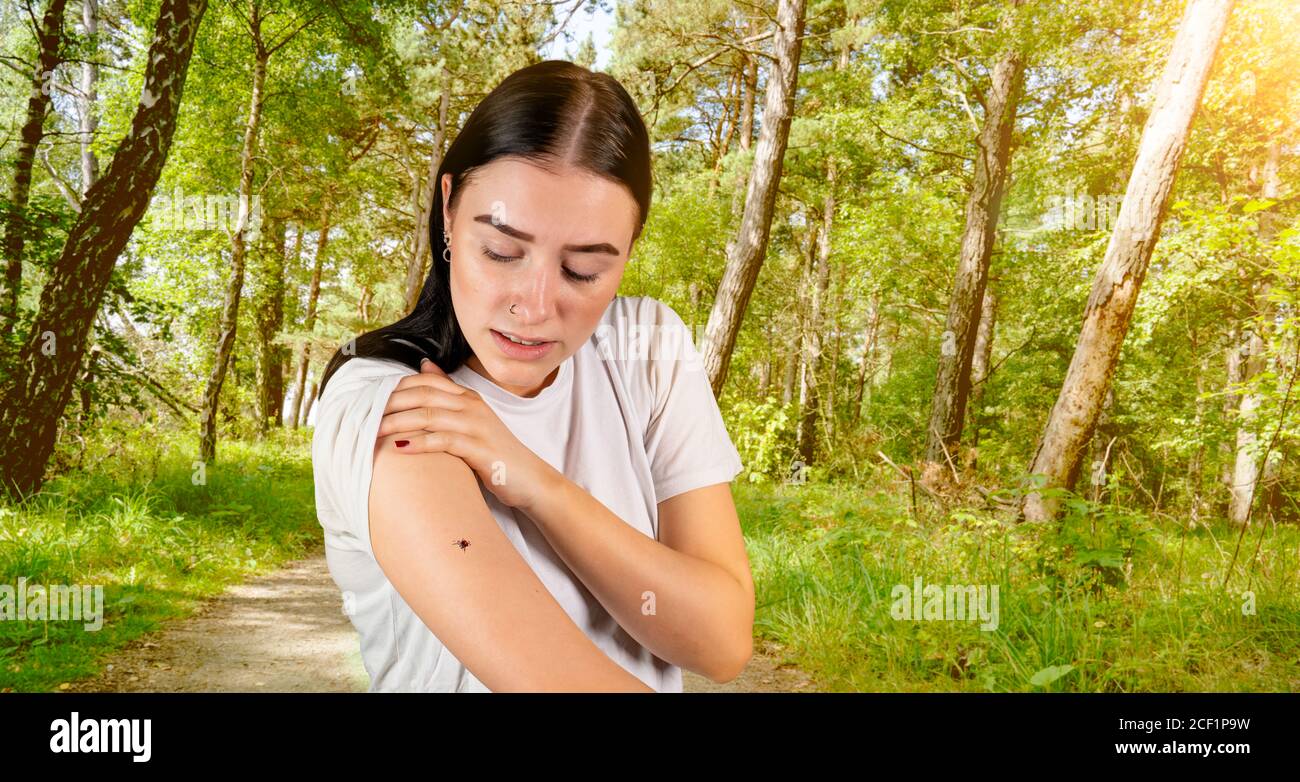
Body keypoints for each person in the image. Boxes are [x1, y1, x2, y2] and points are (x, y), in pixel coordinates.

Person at [311, 60, 752, 692]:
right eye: (501, 252)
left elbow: (721, 640)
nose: (535, 305)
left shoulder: (644, 346)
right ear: (447, 210)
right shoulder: (387, 402)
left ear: (628, 252)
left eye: (583, 270)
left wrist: (531, 480)